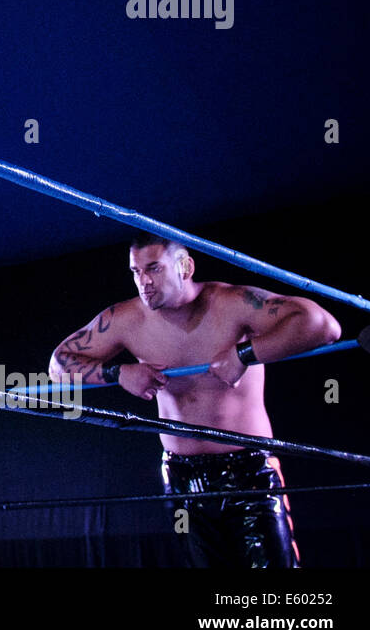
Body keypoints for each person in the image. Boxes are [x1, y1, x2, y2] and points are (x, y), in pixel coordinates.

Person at [47, 232, 341, 567]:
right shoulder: (127, 319)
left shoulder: (232, 302)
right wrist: (119, 374)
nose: (144, 282)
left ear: (185, 267)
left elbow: (323, 326)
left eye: (154, 269)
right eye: (135, 272)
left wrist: (245, 353)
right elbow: (58, 366)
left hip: (248, 471)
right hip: (181, 476)